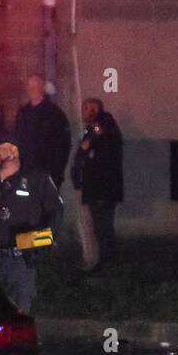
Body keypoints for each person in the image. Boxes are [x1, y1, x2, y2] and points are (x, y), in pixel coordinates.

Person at [0, 136, 63, 312]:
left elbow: (56, 212)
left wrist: (35, 243)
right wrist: (0, 175)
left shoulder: (35, 176)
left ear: (13, 151)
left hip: (20, 261)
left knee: (19, 316)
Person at [70, 98, 123, 272]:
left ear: (94, 110)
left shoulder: (103, 125)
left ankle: (107, 262)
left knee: (102, 225)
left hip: (102, 186)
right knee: (100, 225)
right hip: (95, 186)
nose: (83, 112)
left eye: (87, 108)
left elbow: (96, 148)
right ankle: (106, 260)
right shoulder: (95, 128)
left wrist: (87, 147)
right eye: (84, 108)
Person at [13, 73, 71, 188]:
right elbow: (17, 140)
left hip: (47, 174)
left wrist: (55, 171)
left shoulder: (54, 114)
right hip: (26, 172)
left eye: (35, 86)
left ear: (42, 88)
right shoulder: (22, 114)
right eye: (29, 86)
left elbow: (63, 144)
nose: (31, 90)